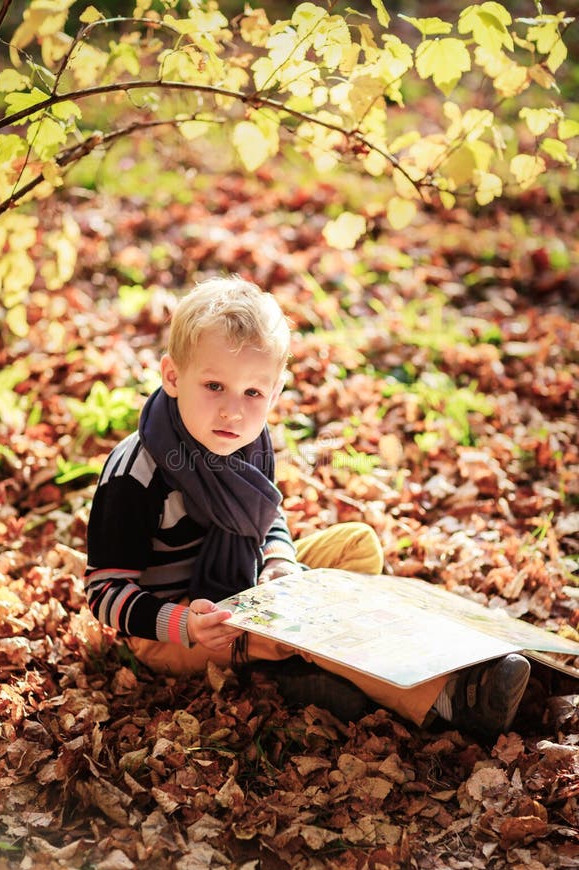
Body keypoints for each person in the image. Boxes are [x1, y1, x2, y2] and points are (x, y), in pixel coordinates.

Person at [85, 275, 530, 736]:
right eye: (214, 385)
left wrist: (279, 563)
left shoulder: (244, 441)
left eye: (252, 393)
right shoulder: (136, 475)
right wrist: (184, 625)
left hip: (241, 584)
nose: (233, 411)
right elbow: (105, 590)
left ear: (274, 393)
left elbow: (264, 515)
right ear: (173, 376)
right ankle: (451, 694)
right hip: (175, 629)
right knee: (302, 624)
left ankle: (293, 671)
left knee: (355, 546)